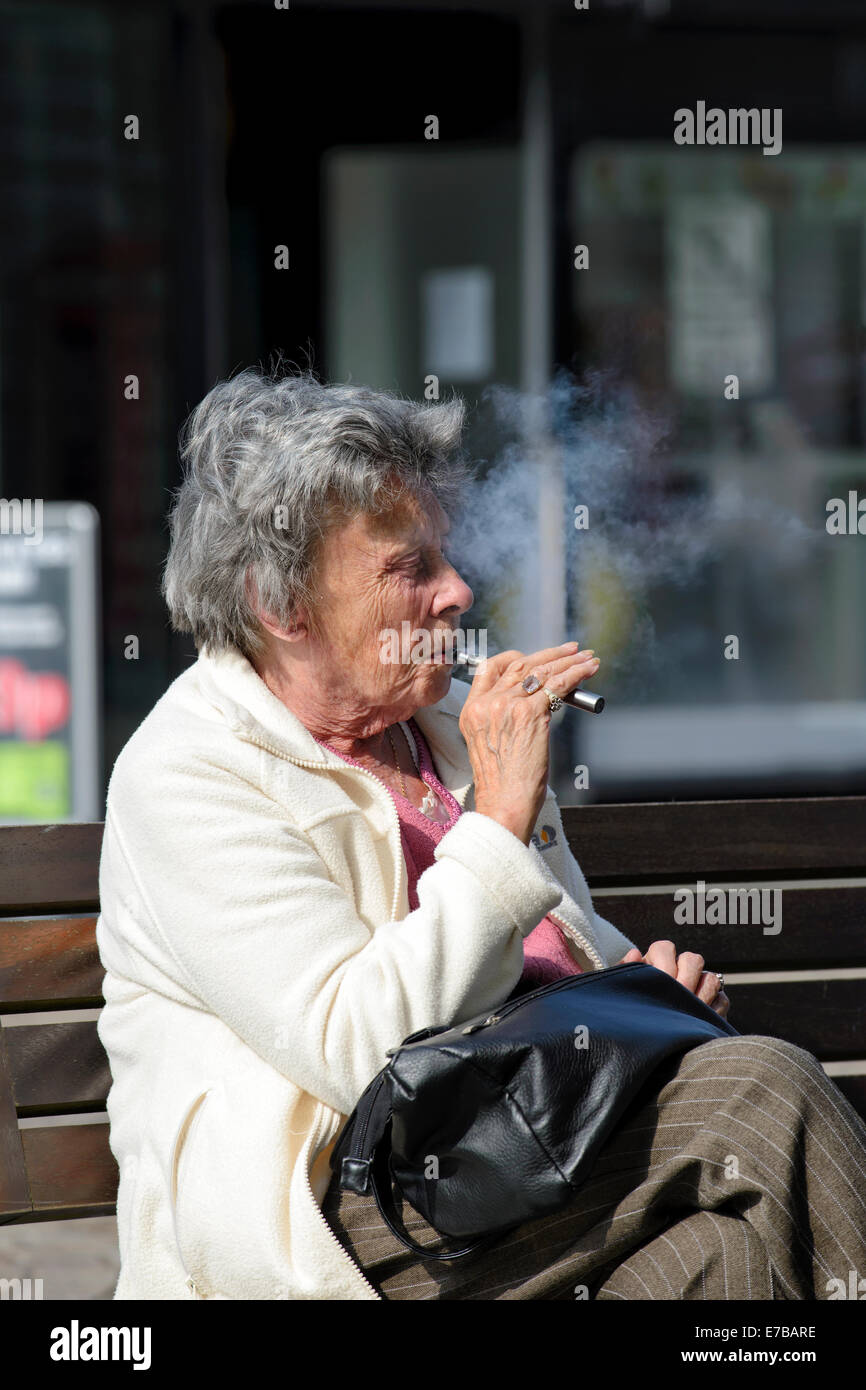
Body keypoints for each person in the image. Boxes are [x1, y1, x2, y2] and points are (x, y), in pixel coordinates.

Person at [96, 365, 866, 1301]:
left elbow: (556, 955)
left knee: (728, 1263)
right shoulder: (188, 771)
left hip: (515, 1150)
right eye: (407, 568)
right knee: (758, 1095)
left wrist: (645, 998)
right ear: (279, 604)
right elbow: (358, 1050)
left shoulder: (446, 731)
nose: (458, 592)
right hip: (338, 1203)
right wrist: (498, 819)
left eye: (446, 556)